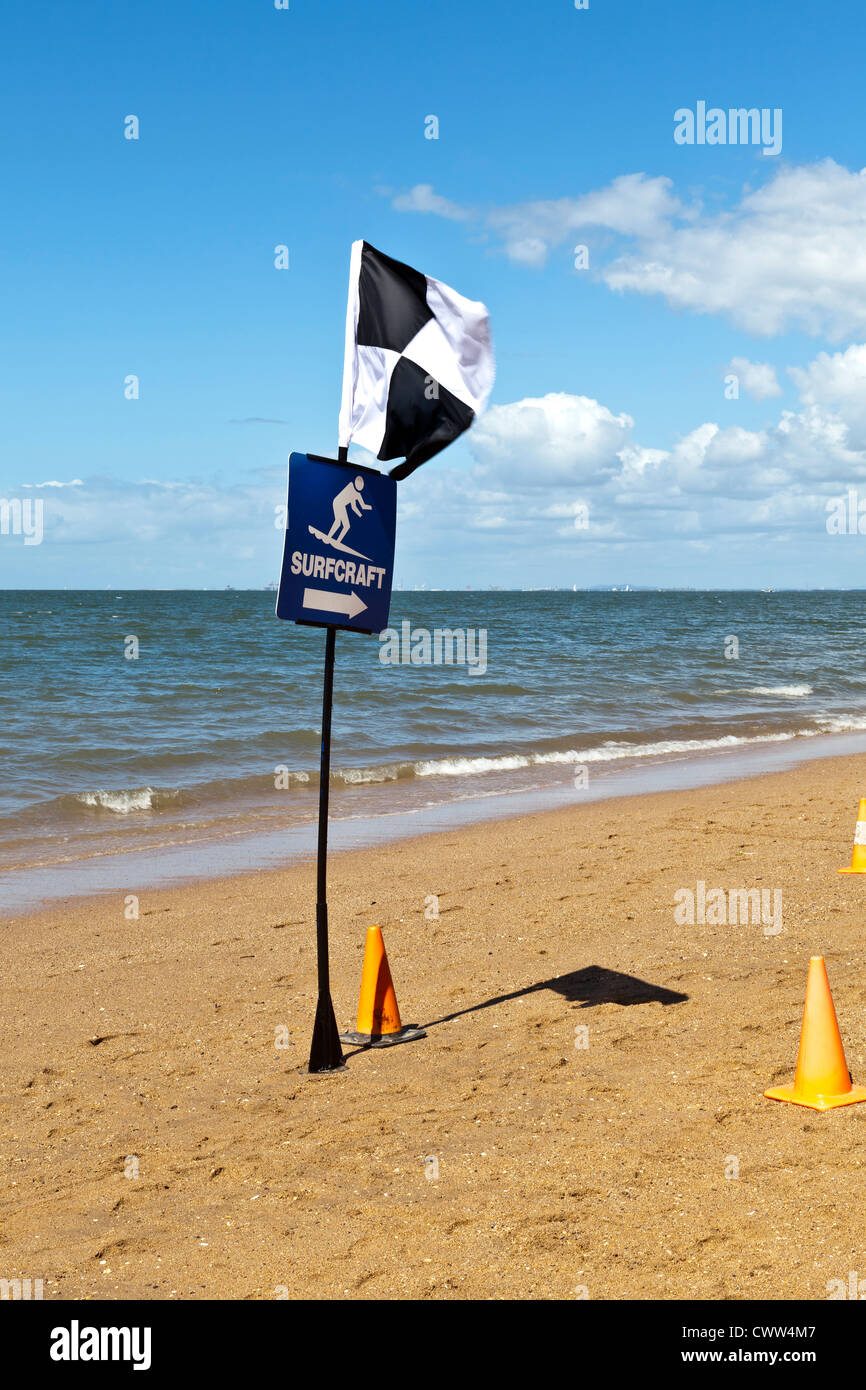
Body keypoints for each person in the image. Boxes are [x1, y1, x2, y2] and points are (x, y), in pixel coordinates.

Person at [326, 475, 372, 544]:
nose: (360, 485)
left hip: (341, 505)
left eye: (361, 484)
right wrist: (370, 507)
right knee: (339, 522)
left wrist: (360, 515)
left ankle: (337, 541)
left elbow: (355, 506)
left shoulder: (358, 495)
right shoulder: (350, 486)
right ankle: (329, 538)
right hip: (338, 502)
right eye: (359, 482)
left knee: (346, 526)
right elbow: (358, 506)